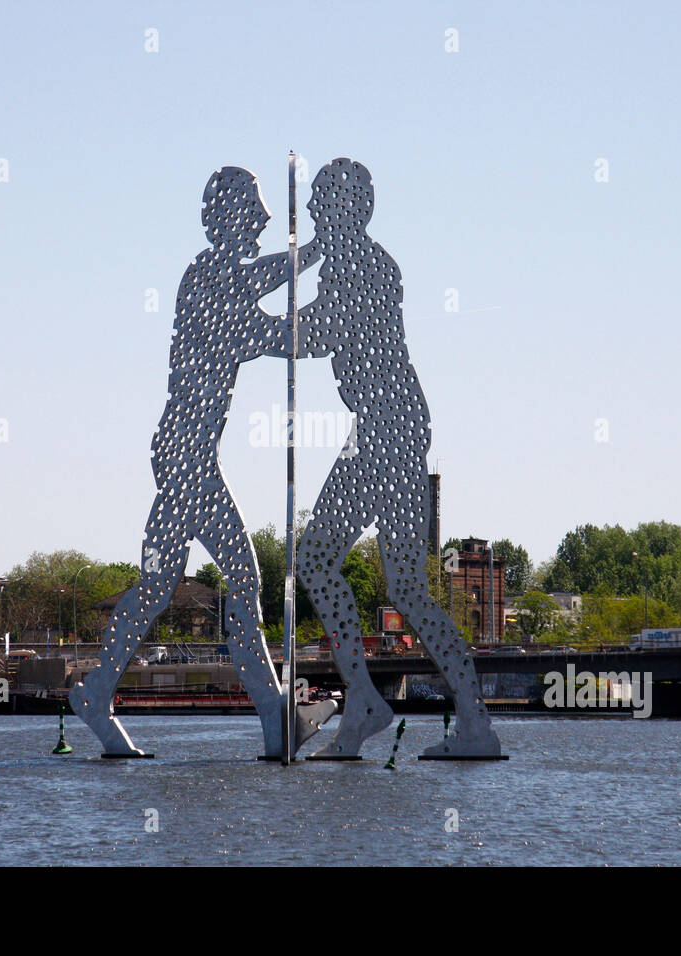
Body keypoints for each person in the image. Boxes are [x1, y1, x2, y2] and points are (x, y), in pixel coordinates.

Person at [70, 166, 326, 757]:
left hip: (185, 452)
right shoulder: (208, 278)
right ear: (230, 216)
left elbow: (268, 289)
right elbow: (270, 325)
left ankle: (99, 690)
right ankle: (274, 718)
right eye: (255, 210)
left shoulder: (215, 277)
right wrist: (318, 257)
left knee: (162, 584)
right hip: (186, 455)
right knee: (243, 581)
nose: (264, 220)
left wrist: (311, 253)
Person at [291, 158, 502, 759]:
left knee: (370, 577)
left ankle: (439, 716)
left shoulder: (362, 265)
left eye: (318, 203)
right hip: (383, 428)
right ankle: (379, 708)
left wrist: (250, 332)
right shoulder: (352, 260)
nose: (309, 213)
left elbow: (322, 330)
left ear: (347, 209)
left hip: (388, 430)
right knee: (363, 574)